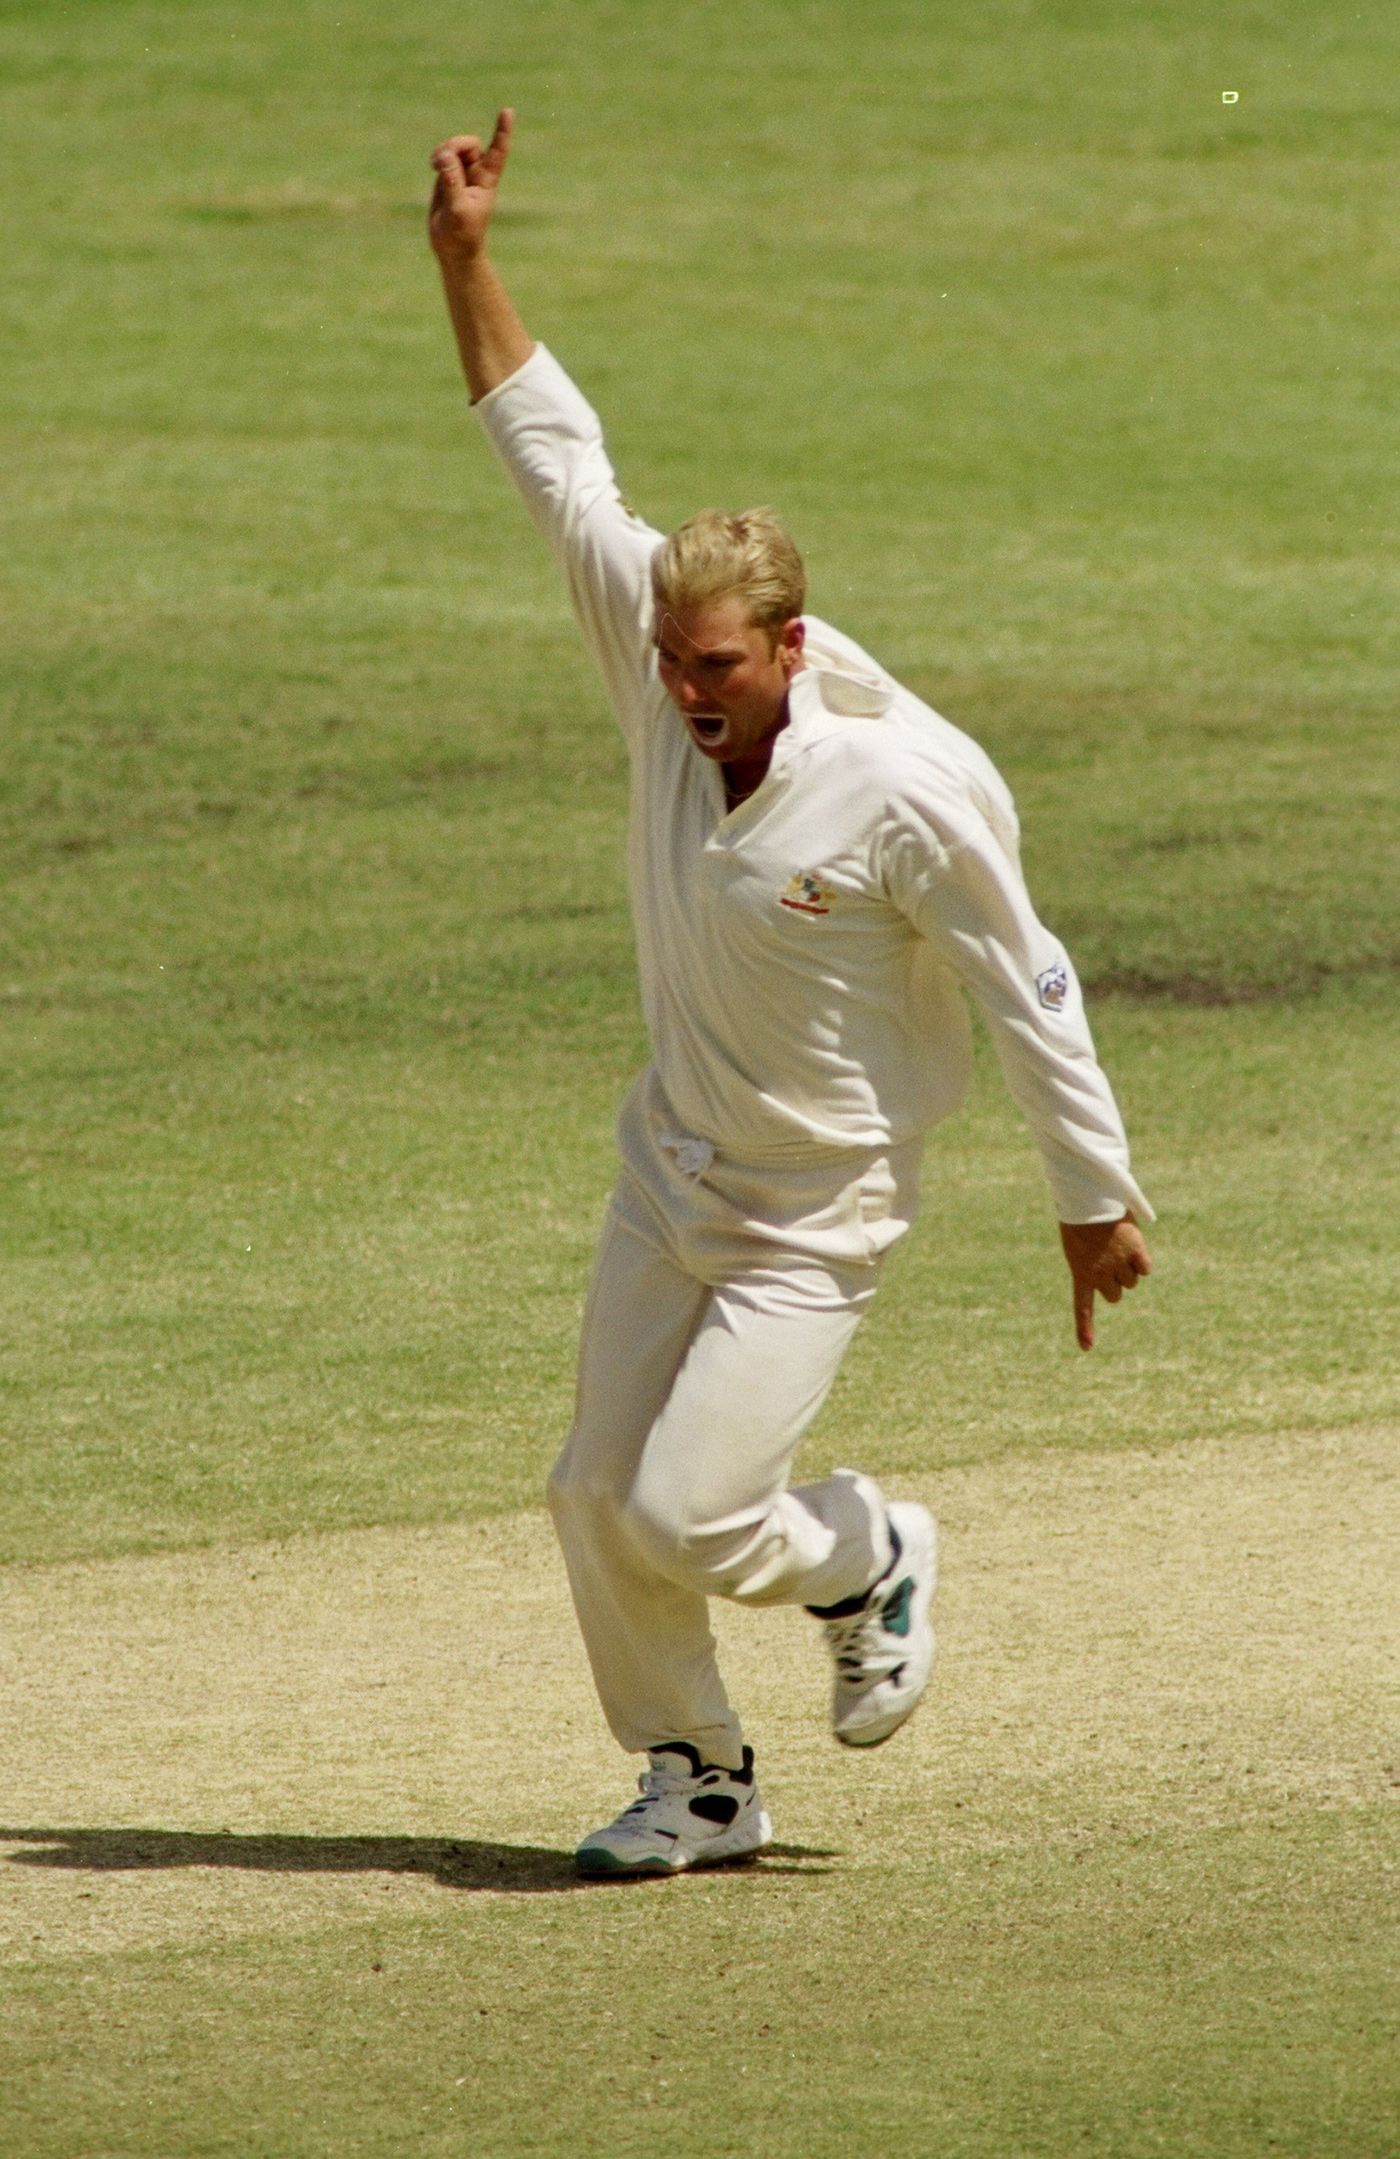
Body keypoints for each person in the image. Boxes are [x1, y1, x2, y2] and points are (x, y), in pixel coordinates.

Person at [428, 111, 1154, 1879]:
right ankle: (700, 1777)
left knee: (692, 1507)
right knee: (594, 1499)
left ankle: (872, 1553)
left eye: (719, 665)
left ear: (793, 648)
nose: (684, 693)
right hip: (670, 1167)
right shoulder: (659, 663)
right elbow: (558, 459)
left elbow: (1028, 979)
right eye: (671, 662)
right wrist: (463, 261)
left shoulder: (897, 795)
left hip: (818, 1211)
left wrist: (1095, 1195)